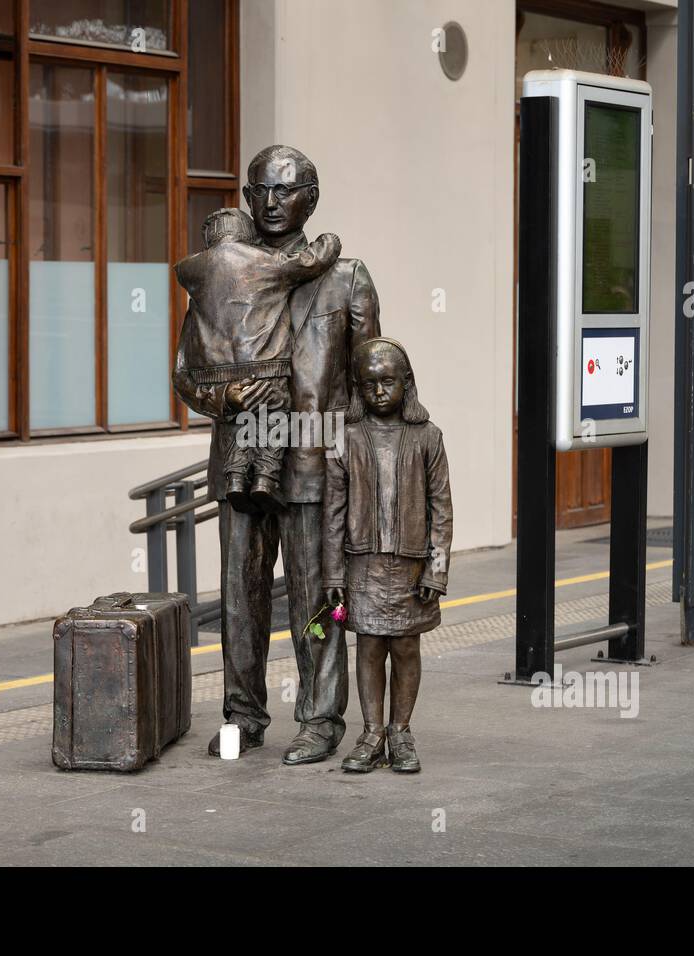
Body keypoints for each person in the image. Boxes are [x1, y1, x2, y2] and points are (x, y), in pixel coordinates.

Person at [173, 145, 380, 765]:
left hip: (317, 460)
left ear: (311, 199)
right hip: (241, 455)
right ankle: (242, 716)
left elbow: (372, 383)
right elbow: (187, 374)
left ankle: (320, 717)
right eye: (258, 190)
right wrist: (233, 391)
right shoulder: (222, 270)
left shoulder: (346, 278)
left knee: (318, 595)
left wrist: (368, 469)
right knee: (241, 593)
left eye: (284, 191)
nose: (268, 203)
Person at [323, 337, 453, 773]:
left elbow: (442, 510)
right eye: (369, 384)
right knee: (369, 646)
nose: (379, 391)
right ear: (358, 389)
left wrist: (436, 571)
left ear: (407, 383)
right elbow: (333, 514)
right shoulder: (346, 439)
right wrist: (332, 574)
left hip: (413, 566)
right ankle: (371, 731)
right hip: (363, 565)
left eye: (388, 382)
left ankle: (401, 731)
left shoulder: (428, 438)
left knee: (406, 648)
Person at [175, 207, 341, 513]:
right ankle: (265, 479)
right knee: (272, 416)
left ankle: (236, 478)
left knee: (239, 421)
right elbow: (308, 261)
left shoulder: (196, 276)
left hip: (220, 376)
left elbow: (183, 370)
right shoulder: (263, 262)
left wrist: (224, 395)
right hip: (266, 368)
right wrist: (329, 242)